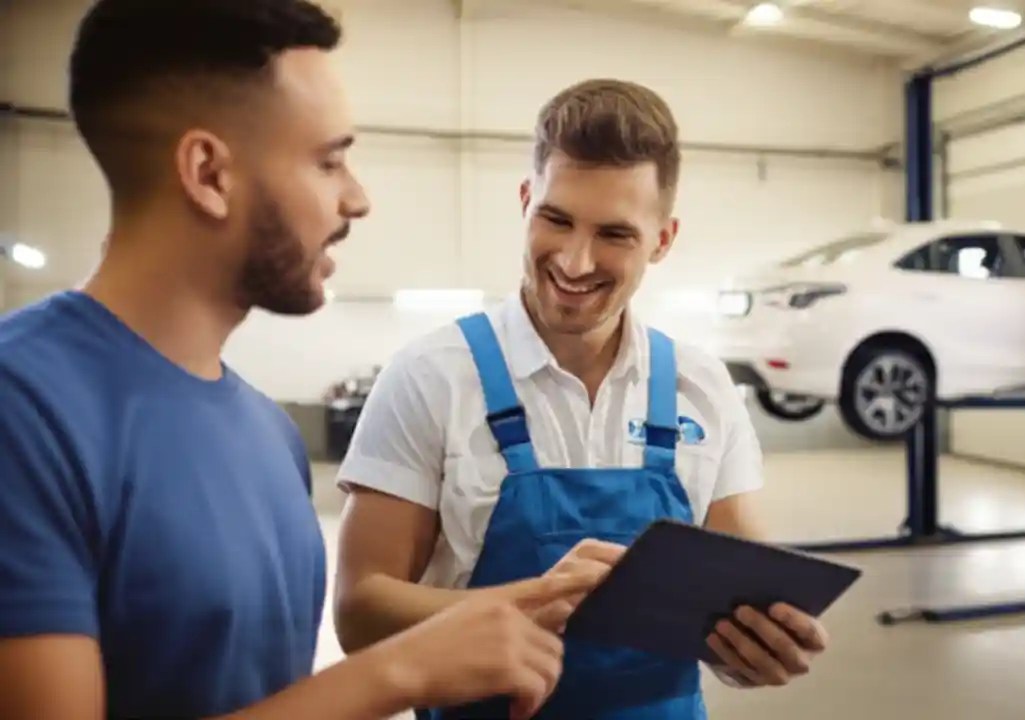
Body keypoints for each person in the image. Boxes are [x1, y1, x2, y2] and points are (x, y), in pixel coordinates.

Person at [0, 1, 605, 718]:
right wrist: (399, 671)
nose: (357, 198)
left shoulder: (268, 433)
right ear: (209, 173)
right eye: (329, 161)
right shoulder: (24, 413)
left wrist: (526, 604)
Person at [333, 78, 831, 719]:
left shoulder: (703, 390)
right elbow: (359, 614)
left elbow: (738, 611)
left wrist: (758, 652)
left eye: (615, 235)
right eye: (556, 219)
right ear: (525, 201)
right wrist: (531, 603)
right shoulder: (429, 377)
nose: (574, 261)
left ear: (663, 239)